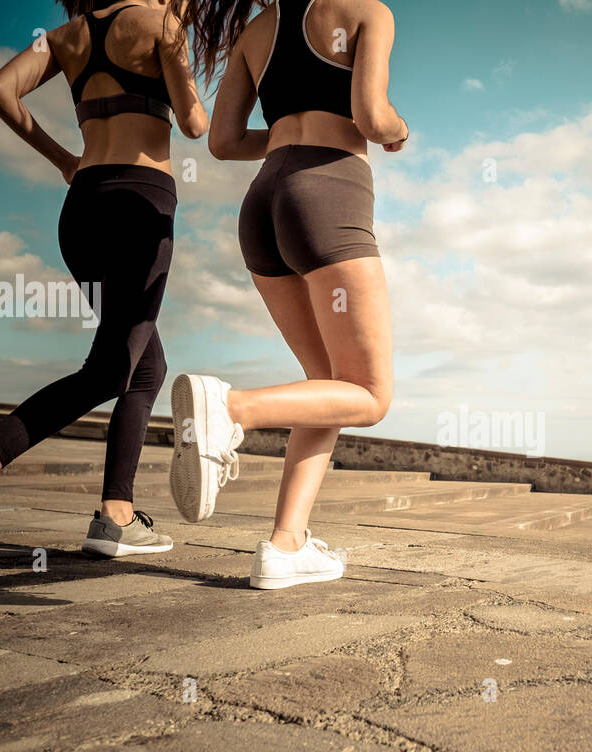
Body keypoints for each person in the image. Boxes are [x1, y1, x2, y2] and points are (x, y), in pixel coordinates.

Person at [0, 0, 208, 571]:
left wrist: (65, 160)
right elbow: (195, 123)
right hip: (140, 204)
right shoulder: (162, 25)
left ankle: (115, 517)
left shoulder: (67, 34)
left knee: (145, 369)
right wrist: (179, 40)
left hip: (83, 207)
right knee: (110, 371)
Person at [173, 0, 405, 589]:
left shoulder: (256, 29)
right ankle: (230, 409)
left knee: (324, 381)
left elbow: (222, 143)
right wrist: (398, 130)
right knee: (369, 394)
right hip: (328, 192)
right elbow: (371, 117)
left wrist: (283, 137)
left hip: (265, 199)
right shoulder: (367, 11)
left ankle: (285, 545)